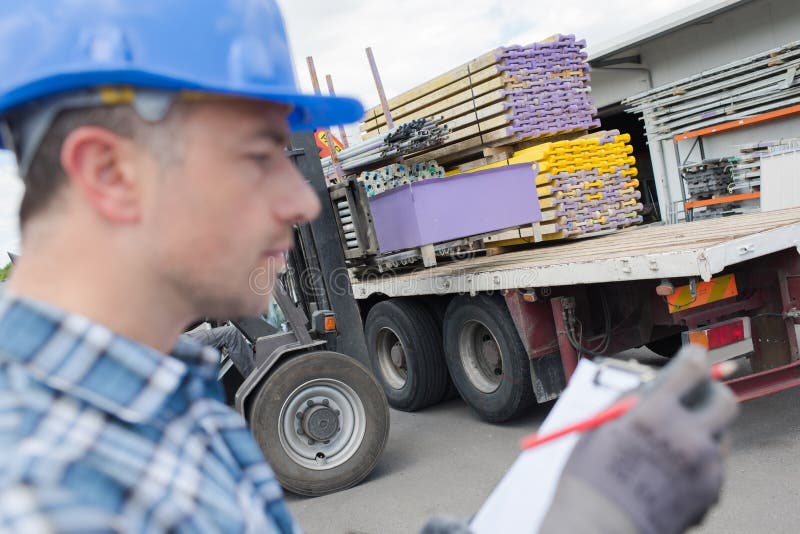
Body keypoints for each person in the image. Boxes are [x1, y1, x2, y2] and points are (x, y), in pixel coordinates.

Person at [0, 1, 737, 533]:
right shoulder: (42, 495)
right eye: (259, 156)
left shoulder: (169, 402)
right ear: (111, 173)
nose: (299, 199)